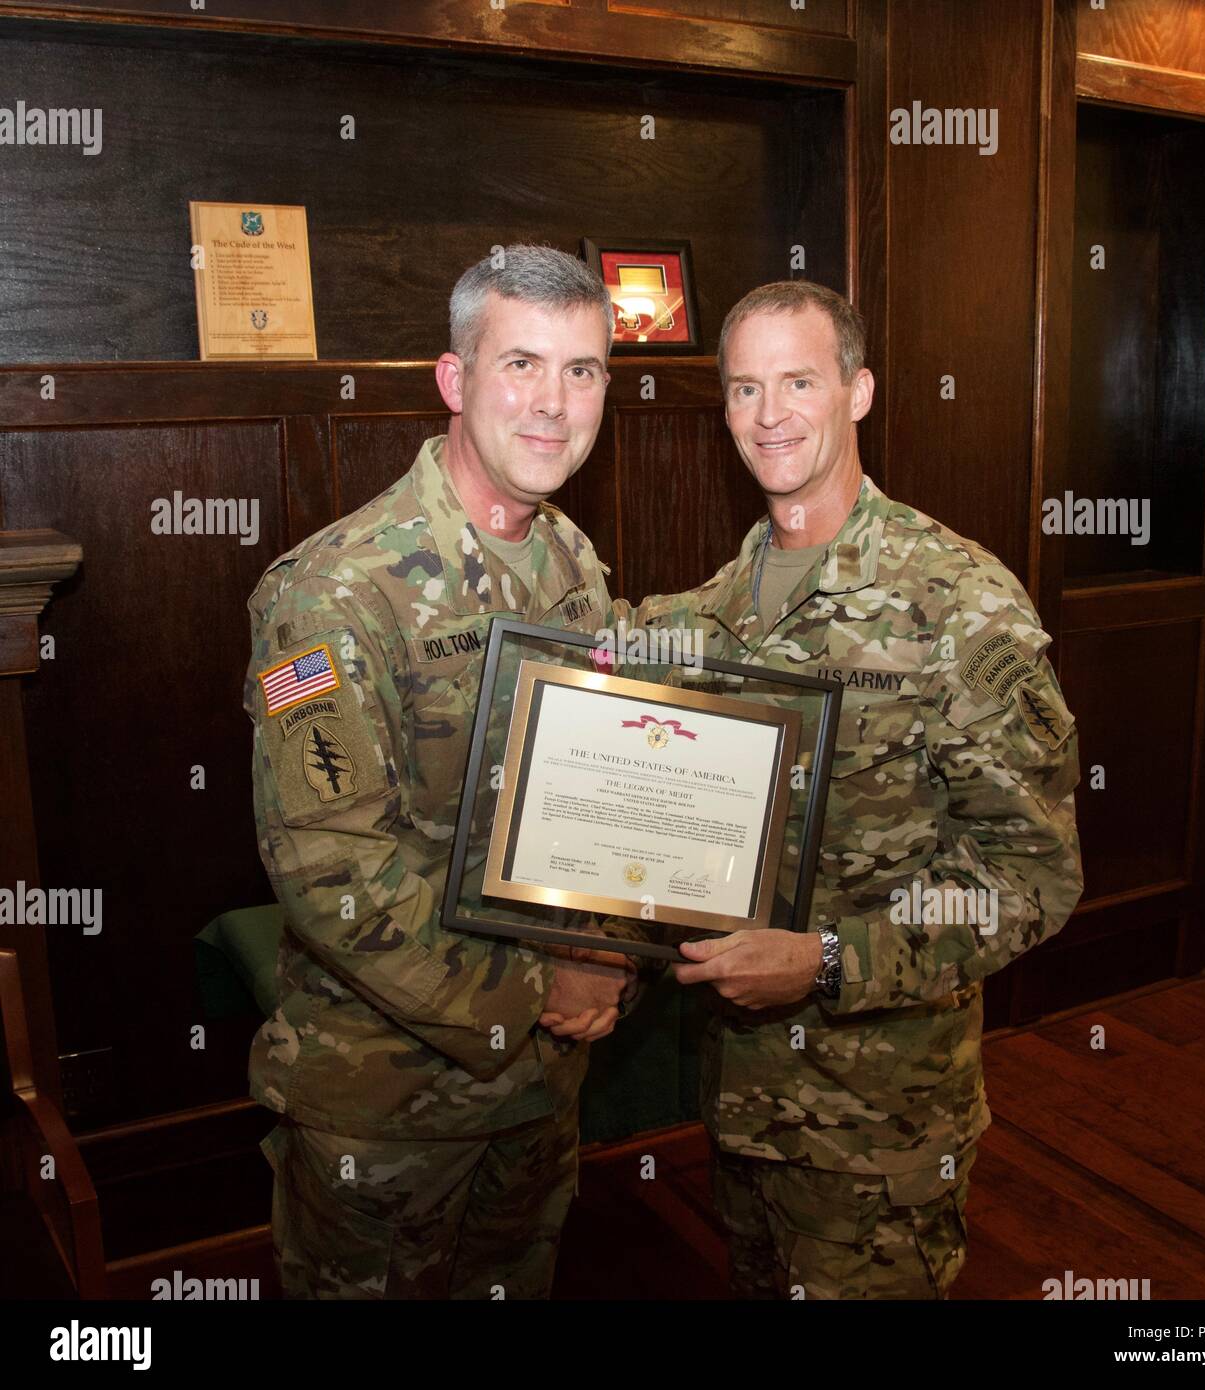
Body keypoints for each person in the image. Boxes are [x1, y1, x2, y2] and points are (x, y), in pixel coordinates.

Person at [635, 280, 1083, 1299]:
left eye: (799, 380)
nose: (770, 413)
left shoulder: (960, 605)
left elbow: (1030, 877)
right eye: (745, 388)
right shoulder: (713, 610)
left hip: (879, 1132)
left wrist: (829, 960)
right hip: (742, 1108)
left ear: (860, 391)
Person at [245, 244, 636, 1299]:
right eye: (521, 365)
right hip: (388, 1107)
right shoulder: (330, 594)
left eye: (584, 370)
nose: (554, 404)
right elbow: (334, 875)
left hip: (541, 1087)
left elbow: (593, 789)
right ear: (455, 381)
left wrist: (610, 946)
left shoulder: (571, 562)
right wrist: (544, 987)